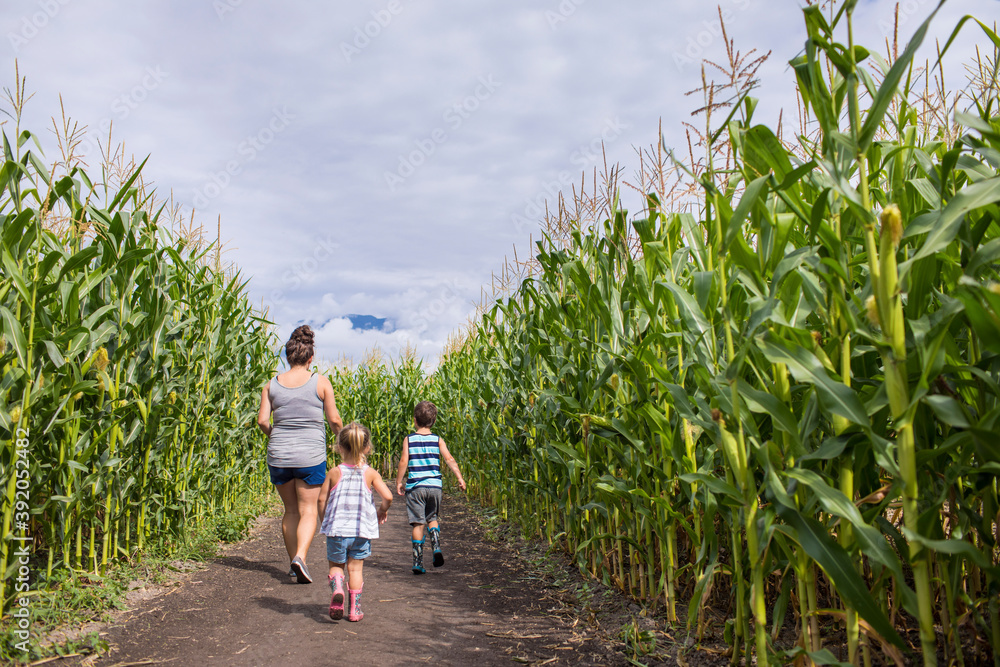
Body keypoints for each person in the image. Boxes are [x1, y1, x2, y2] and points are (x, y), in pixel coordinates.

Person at [257, 325, 342, 584]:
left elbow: (262, 421)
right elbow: (335, 420)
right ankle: (300, 558)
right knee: (308, 510)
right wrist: (340, 443)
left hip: (279, 456)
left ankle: (294, 561)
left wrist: (277, 437)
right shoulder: (320, 382)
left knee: (290, 510)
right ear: (310, 358)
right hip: (310, 456)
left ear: (288, 356)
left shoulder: (271, 385)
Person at [318, 423, 393, 622]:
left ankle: (338, 588)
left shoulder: (334, 472)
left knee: (336, 567)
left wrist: (324, 521)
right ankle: (354, 610)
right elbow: (388, 496)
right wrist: (382, 510)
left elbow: (320, 500)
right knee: (355, 569)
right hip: (361, 532)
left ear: (340, 448)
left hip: (337, 531)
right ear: (367, 448)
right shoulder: (370, 473)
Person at [395, 400, 466, 574]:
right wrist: (460, 477)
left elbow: (404, 461)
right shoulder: (437, 439)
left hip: (416, 487)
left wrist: (398, 481)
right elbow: (449, 459)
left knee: (418, 524)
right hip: (435, 486)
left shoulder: (409, 439)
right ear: (433, 421)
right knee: (432, 517)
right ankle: (436, 547)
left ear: (415, 420)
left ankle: (418, 562)